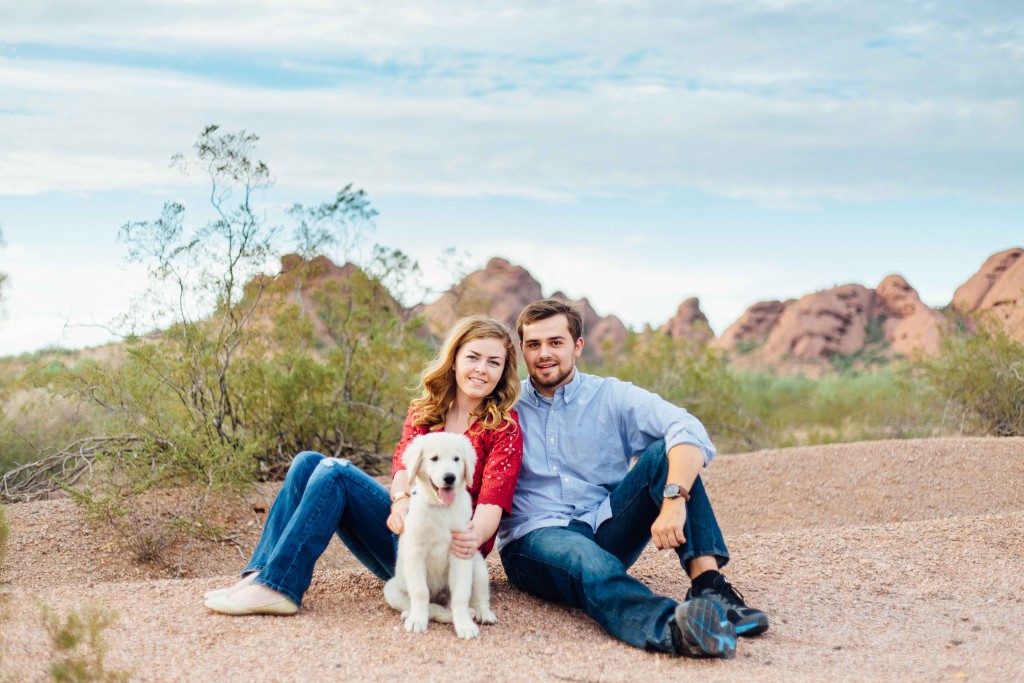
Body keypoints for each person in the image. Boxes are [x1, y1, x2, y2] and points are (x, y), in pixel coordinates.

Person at [497, 299, 768, 659]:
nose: (544, 353)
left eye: (555, 342)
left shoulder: (610, 395)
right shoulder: (504, 407)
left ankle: (708, 586)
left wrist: (673, 500)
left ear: (577, 346)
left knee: (666, 452)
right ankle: (676, 628)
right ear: (521, 351)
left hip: (605, 527)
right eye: (534, 345)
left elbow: (686, 428)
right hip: (534, 542)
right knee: (582, 556)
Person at [204, 315, 523, 615]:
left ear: (503, 372)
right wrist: (400, 504)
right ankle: (261, 574)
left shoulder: (503, 428)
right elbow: (401, 470)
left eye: (493, 362)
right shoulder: (426, 410)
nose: (482, 368)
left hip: (447, 562)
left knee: (335, 473)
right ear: (453, 360)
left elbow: (490, 508)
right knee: (307, 463)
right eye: (473, 357)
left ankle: (280, 587)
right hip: (407, 537)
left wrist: (470, 536)